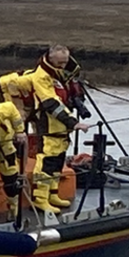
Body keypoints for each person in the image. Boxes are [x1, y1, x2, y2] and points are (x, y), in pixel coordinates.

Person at [28, 45, 91, 213]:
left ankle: (52, 193)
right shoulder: (41, 76)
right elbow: (51, 104)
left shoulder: (64, 73)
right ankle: (40, 198)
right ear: (51, 59)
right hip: (48, 122)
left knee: (59, 158)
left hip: (62, 126)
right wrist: (73, 123)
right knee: (47, 159)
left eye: (65, 62)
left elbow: (70, 92)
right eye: (60, 63)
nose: (63, 66)